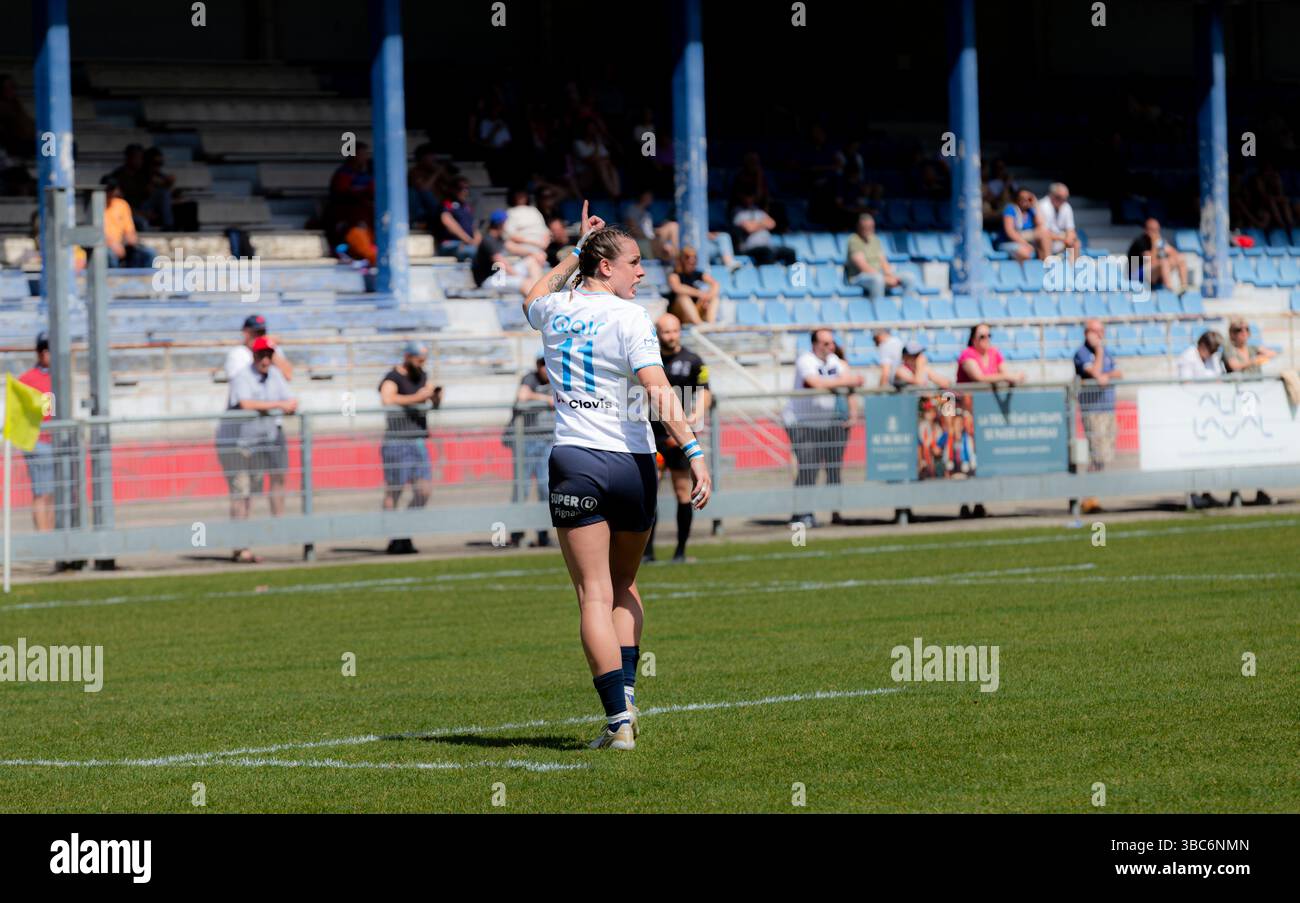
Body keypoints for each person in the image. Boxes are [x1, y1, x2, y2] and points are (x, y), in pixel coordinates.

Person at [522, 202, 711, 750]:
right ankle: (626, 697)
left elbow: (530, 298)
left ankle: (617, 722)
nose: (642, 271)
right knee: (624, 585)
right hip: (631, 463)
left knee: (592, 595)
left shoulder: (555, 309)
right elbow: (658, 391)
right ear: (607, 268)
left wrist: (574, 251)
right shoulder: (631, 318)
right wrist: (695, 451)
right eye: (634, 262)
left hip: (577, 459)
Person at [645, 313, 712, 563]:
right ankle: (647, 552)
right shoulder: (648, 359)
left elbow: (706, 392)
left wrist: (696, 414)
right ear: (657, 333)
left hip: (680, 436)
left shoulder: (693, 360)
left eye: (674, 331)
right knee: (648, 492)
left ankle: (680, 551)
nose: (671, 336)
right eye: (666, 332)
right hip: (652, 435)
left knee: (683, 491)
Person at [225, 337, 297, 563]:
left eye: (269, 355)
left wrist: (288, 405)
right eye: (261, 355)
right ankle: (240, 546)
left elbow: (290, 399)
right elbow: (246, 404)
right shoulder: (242, 376)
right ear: (254, 356)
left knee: (251, 496)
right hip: (239, 446)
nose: (265, 360)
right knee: (241, 494)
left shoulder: (275, 375)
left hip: (261, 444)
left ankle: (245, 544)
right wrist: (278, 406)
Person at [784, 328, 864, 528]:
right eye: (826, 343)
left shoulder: (836, 362)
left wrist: (853, 413)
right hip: (800, 421)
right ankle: (802, 513)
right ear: (815, 344)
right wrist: (846, 380)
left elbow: (851, 387)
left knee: (833, 468)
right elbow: (815, 382)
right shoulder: (806, 360)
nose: (831, 346)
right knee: (808, 466)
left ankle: (834, 511)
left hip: (825, 423)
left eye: (832, 343)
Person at [379, 341, 442, 555]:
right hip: (397, 441)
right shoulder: (392, 377)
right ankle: (393, 537)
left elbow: (432, 403)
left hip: (418, 441)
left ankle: (404, 531)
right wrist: (418, 397)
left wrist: (435, 397)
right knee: (394, 491)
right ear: (407, 356)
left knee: (424, 491)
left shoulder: (422, 376)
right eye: (419, 359)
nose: (422, 364)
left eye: (424, 360)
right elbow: (387, 400)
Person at [955, 323, 1024, 518]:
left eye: (988, 335)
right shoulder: (967, 355)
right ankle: (964, 502)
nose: (986, 339)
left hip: (984, 415)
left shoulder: (994, 353)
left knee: (981, 458)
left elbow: (1006, 372)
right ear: (973, 339)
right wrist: (1006, 376)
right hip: (965, 414)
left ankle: (979, 501)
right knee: (966, 460)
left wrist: (1010, 376)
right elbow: (979, 377)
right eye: (982, 336)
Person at [1221, 318, 1274, 507]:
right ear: (1232, 333)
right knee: (1238, 447)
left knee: (1256, 447)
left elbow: (1272, 353)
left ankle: (1259, 488)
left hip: (1254, 402)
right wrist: (1253, 361)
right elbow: (1234, 366)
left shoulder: (1252, 348)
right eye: (1239, 330)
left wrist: (1259, 354)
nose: (1243, 333)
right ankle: (1235, 491)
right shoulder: (1229, 349)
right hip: (1236, 403)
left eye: (1246, 330)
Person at [1073, 319, 1123, 515]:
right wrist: (1099, 354)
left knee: (1103, 456)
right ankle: (1088, 496)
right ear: (1087, 333)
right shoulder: (1082, 353)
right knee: (1096, 453)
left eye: (1102, 331)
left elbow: (1118, 372)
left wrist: (1106, 375)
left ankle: (1093, 495)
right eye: (1096, 331)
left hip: (1107, 409)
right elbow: (1094, 373)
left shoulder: (1106, 350)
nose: (1100, 335)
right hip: (1093, 410)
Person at [506, 354, 555, 548]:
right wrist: (546, 399)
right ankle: (516, 534)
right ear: (537, 365)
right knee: (522, 488)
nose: (545, 367)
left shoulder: (558, 376)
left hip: (548, 442)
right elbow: (523, 395)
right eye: (542, 364)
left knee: (545, 488)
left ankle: (543, 533)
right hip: (527, 441)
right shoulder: (530, 378)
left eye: (547, 362)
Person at [1176, 330, 1225, 509]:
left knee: (1209, 455)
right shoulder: (1187, 357)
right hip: (1193, 415)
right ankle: (1192, 494)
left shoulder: (1212, 358)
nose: (1212, 354)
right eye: (1211, 350)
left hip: (1209, 413)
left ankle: (1206, 492)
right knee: (1192, 455)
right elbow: (1186, 385)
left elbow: (1219, 379)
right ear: (1203, 345)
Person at [18, 332, 55, 534]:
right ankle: (43, 535)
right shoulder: (27, 380)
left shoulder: (56, 377)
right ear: (41, 353)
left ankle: (49, 532)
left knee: (51, 493)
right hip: (39, 442)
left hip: (53, 441)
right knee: (42, 492)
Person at [472, 209, 543, 297]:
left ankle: (540, 290)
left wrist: (536, 253)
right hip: (488, 280)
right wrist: (519, 277)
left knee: (532, 261)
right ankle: (537, 301)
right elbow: (501, 264)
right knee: (526, 284)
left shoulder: (500, 238)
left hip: (500, 275)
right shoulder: (488, 240)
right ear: (501, 224)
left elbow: (516, 248)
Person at [846, 214, 913, 299]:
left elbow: (883, 260)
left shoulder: (875, 239)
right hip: (859, 277)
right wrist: (884, 278)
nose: (869, 229)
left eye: (871, 227)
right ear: (859, 227)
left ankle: (906, 307)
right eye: (866, 227)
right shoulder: (854, 240)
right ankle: (878, 308)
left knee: (909, 277)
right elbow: (863, 266)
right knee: (878, 280)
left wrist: (889, 275)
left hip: (878, 274)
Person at [101, 177, 156, 268]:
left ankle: (143, 280)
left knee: (149, 253)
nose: (110, 193)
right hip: (105, 245)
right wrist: (112, 244)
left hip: (122, 243)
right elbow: (96, 232)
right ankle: (114, 281)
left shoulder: (122, 204)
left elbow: (129, 230)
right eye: (107, 191)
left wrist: (130, 240)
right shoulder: (95, 205)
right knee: (110, 255)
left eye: (112, 190)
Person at [1127, 218, 1189, 293]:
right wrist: (1154, 244)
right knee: (1164, 262)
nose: (1156, 232)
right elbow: (1150, 261)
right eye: (1153, 230)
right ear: (1146, 230)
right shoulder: (1140, 242)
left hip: (1154, 271)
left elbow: (1175, 255)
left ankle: (1184, 287)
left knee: (1180, 258)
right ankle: (1169, 289)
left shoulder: (1160, 241)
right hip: (1138, 273)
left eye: (1157, 229)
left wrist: (1167, 248)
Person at [732, 194, 796, 265]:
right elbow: (749, 228)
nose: (750, 198)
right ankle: (769, 274)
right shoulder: (738, 212)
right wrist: (762, 223)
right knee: (768, 252)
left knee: (790, 252)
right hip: (750, 248)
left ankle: (790, 275)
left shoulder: (758, 211)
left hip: (767, 246)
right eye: (748, 196)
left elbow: (772, 224)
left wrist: (755, 224)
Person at [664, 247, 719, 325]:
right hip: (679, 313)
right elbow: (677, 288)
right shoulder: (675, 275)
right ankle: (699, 324)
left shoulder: (699, 274)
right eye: (687, 257)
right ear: (681, 259)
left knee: (715, 298)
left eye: (694, 257)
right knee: (683, 297)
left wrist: (708, 296)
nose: (691, 260)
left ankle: (711, 324)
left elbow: (715, 284)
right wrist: (699, 293)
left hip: (695, 309)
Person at [434, 178, 481, 259]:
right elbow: (450, 225)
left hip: (468, 244)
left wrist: (477, 240)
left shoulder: (466, 206)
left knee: (487, 251)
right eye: (461, 188)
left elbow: (474, 228)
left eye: (467, 188)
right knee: (471, 251)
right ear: (453, 189)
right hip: (451, 244)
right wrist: (468, 240)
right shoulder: (447, 204)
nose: (465, 191)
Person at [1035, 182, 1078, 261]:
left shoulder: (1066, 206)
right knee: (1045, 238)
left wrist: (1069, 238)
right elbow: (1044, 231)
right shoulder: (1042, 205)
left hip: (1060, 239)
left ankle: (1073, 269)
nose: (1062, 200)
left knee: (1075, 241)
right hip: (1044, 239)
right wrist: (1063, 238)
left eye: (1065, 198)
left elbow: (1071, 229)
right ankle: (1048, 267)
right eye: (1059, 197)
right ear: (1051, 195)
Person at [1000, 188, 1039, 261]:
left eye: (1029, 199)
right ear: (1017, 199)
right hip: (1007, 242)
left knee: (1044, 238)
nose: (1026, 201)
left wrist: (1036, 205)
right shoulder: (1010, 209)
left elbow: (1042, 227)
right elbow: (1010, 232)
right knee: (1025, 252)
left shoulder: (1031, 211)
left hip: (1026, 242)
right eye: (1022, 198)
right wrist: (1026, 244)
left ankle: (1046, 267)